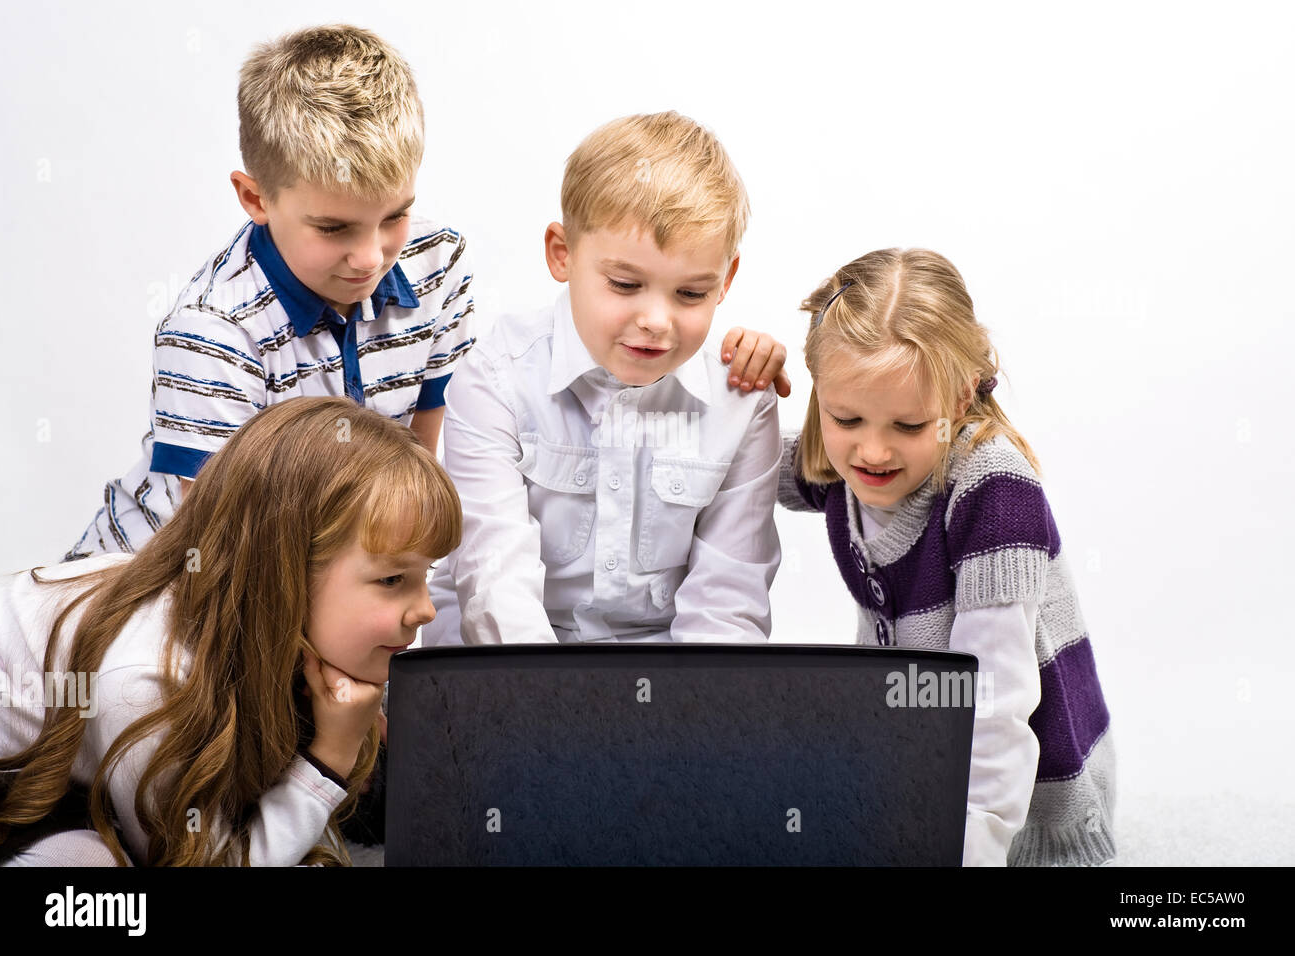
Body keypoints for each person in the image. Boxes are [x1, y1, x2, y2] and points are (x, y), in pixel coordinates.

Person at [67, 24, 475, 559]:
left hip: (317, 574)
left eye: (394, 216)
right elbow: (221, 554)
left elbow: (420, 484)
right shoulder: (211, 329)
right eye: (333, 228)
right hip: (155, 587)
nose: (372, 257)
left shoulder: (439, 265)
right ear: (255, 197)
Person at [0, 397, 460, 865]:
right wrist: (329, 761)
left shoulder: (269, 638)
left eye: (426, 574)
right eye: (392, 580)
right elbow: (200, 861)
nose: (425, 610)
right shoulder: (147, 680)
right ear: (286, 572)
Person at [777, 248, 1115, 866]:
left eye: (909, 427)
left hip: (1024, 811)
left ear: (960, 400)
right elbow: (724, 465)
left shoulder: (992, 489)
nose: (872, 451)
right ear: (819, 393)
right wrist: (736, 381)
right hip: (915, 771)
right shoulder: (835, 460)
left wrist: (968, 851)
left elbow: (992, 705)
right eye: (846, 416)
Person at [422, 111, 784, 645]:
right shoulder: (497, 377)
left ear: (725, 279)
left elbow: (726, 606)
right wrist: (559, 718)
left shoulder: (742, 399)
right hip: (505, 672)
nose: (657, 322)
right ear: (561, 254)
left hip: (664, 685)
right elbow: (495, 587)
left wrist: (690, 722)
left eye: (690, 294)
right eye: (624, 283)